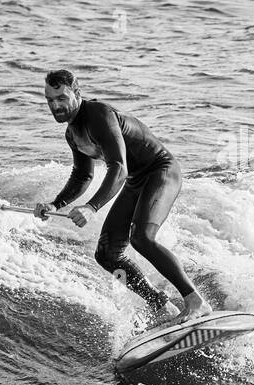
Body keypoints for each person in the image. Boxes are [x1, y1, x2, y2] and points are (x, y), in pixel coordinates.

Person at [34, 70, 211, 327]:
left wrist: (92, 207)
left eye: (61, 98)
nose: (55, 105)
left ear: (77, 94)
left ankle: (196, 301)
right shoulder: (73, 134)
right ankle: (161, 305)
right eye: (50, 100)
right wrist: (55, 204)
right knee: (106, 254)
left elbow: (118, 167)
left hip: (160, 171)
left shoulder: (99, 115)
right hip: (136, 181)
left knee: (142, 238)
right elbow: (83, 175)